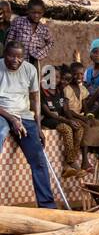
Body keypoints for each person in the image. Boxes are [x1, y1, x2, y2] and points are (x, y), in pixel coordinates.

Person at [0, 42, 55, 208]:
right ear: (4, 54)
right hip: (2, 113)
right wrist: (12, 119)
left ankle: (47, 206)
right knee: (1, 132)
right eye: (11, 55)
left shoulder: (30, 69)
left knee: (38, 159)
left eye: (19, 57)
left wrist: (38, 126)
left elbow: (35, 99)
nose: (15, 60)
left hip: (24, 116)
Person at [40, 64, 83, 176]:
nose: (54, 79)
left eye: (57, 77)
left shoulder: (60, 91)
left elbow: (65, 109)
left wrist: (72, 119)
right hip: (48, 120)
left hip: (61, 119)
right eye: (51, 76)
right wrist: (68, 121)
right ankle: (72, 162)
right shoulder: (41, 91)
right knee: (67, 128)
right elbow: (48, 113)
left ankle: (68, 165)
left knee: (79, 128)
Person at [6, 0, 51, 69]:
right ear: (28, 11)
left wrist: (40, 53)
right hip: (16, 60)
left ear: (43, 12)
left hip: (33, 62)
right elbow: (9, 39)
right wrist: (8, 56)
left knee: (31, 78)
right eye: (33, 12)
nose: (36, 15)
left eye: (39, 13)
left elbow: (50, 42)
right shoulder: (18, 21)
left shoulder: (43, 28)